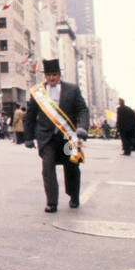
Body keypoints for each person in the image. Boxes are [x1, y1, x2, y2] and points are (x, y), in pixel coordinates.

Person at [24, 58, 89, 213]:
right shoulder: (38, 92)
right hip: (47, 138)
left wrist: (82, 127)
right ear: (44, 76)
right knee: (47, 168)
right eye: (48, 75)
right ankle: (51, 202)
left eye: (54, 74)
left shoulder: (72, 89)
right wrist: (28, 137)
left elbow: (82, 110)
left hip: (69, 137)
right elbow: (30, 115)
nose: (51, 78)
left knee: (72, 167)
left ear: (59, 74)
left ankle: (74, 196)